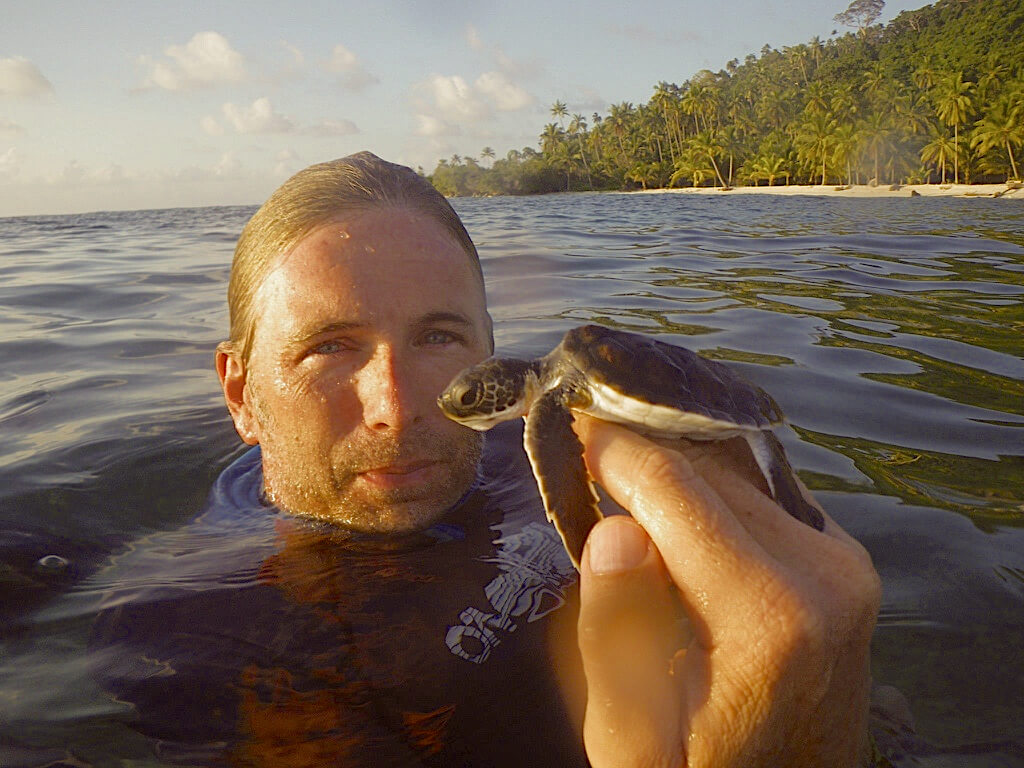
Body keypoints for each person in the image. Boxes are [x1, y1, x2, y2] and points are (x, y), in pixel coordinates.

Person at [99, 151, 881, 766]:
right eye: (330, 347)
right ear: (240, 393)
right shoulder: (188, 633)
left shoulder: (583, 449)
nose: (397, 405)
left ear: (490, 352)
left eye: (439, 337)